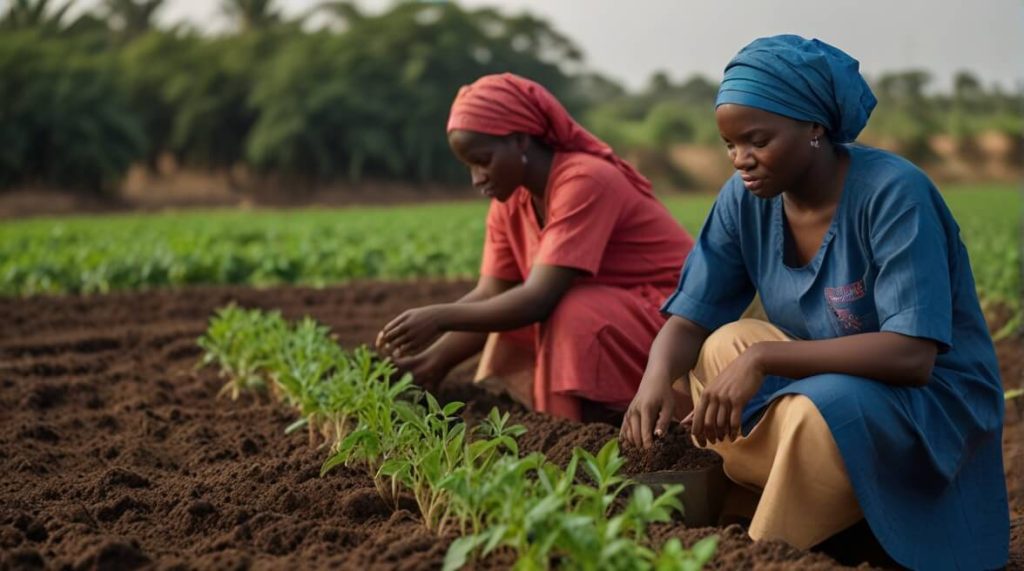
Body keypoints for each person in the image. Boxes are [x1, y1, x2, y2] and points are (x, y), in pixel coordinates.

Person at [620, 35, 1009, 569]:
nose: (741, 160)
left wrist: (766, 358)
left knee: (812, 415)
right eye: (730, 145)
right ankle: (796, 497)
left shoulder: (894, 194)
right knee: (722, 345)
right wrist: (654, 379)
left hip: (929, 403)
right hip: (834, 386)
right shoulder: (746, 198)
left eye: (757, 140)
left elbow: (912, 357)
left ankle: (759, 549)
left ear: (814, 127)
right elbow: (690, 314)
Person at [376, 73, 694, 423]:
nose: (477, 178)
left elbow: (538, 299)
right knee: (511, 312)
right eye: (470, 167)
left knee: (573, 310)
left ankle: (597, 426)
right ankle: (567, 426)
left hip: (675, 320)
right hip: (621, 312)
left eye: (483, 160)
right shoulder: (510, 200)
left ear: (520, 141)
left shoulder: (585, 180)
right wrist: (430, 363)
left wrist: (439, 317)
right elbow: (493, 292)